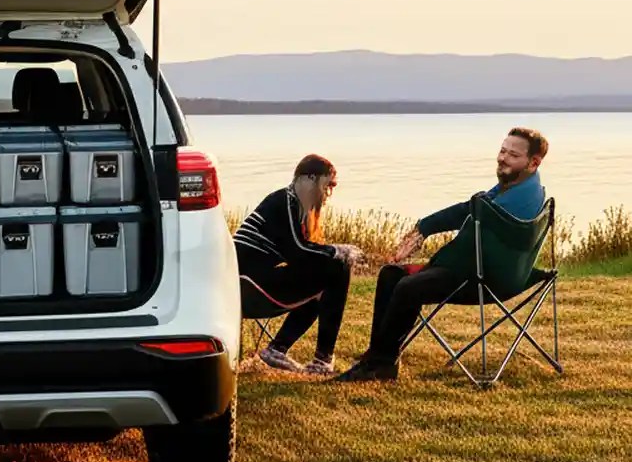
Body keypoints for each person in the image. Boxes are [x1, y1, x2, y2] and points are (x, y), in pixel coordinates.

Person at [338, 127, 549, 382]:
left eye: (513, 155)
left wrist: (428, 261)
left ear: (533, 162)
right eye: (502, 150)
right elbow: (470, 208)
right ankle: (380, 356)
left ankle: (380, 365)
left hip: (485, 280)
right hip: (502, 274)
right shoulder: (521, 188)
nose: (503, 158)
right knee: (391, 274)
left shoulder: (512, 203)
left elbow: (464, 245)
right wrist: (423, 228)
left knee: (407, 286)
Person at [235, 155, 363, 375]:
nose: (327, 194)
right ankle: (321, 359)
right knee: (338, 267)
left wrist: (333, 253)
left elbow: (302, 253)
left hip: (252, 284)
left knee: (330, 272)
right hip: (247, 287)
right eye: (327, 186)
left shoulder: (291, 203)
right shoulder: (283, 202)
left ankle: (279, 349)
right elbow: (298, 251)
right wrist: (337, 250)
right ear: (310, 178)